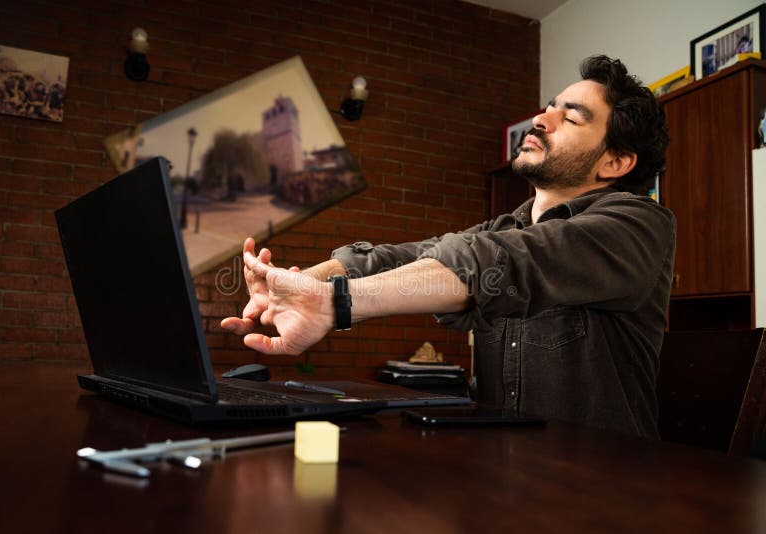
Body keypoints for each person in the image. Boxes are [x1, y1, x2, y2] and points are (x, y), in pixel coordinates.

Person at [221, 55, 674, 438]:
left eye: (570, 117)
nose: (541, 119)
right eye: (550, 107)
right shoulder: (505, 226)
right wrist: (306, 282)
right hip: (503, 471)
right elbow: (405, 257)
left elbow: (501, 263)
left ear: (615, 162)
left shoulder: (637, 225)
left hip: (602, 486)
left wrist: (334, 304)